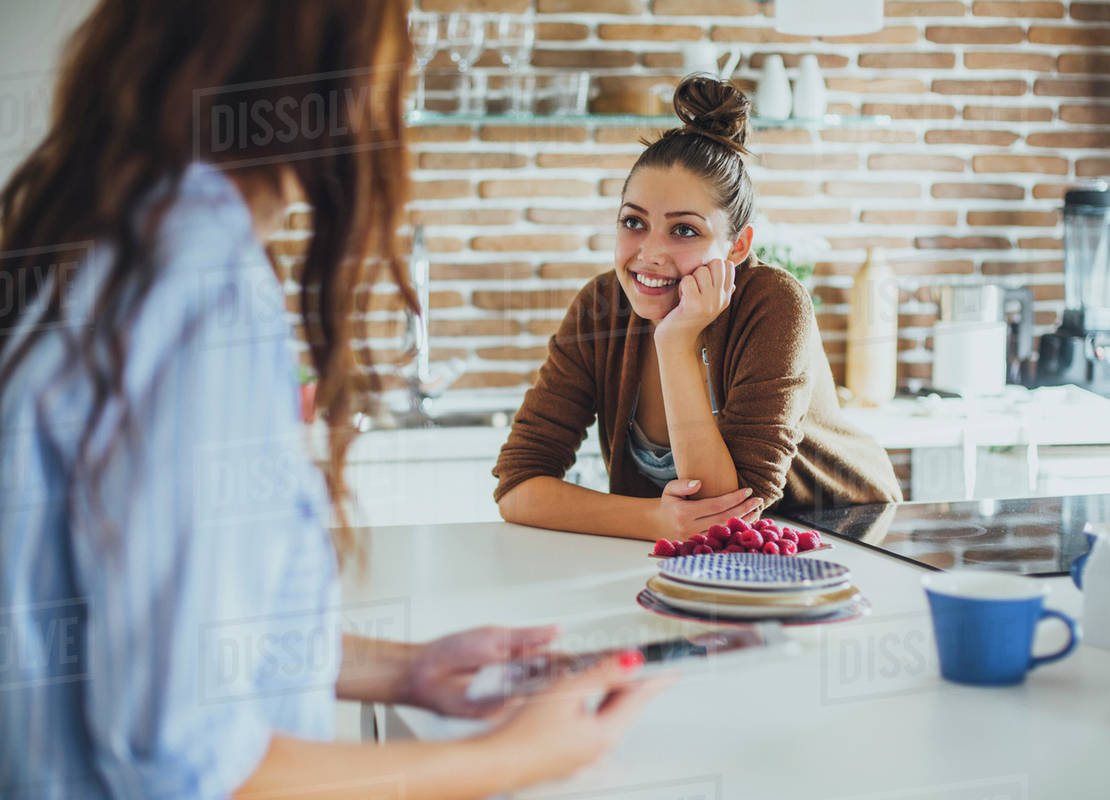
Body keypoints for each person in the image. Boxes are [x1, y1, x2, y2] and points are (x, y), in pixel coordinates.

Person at [0, 2, 658, 798]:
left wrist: (407, 670)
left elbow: (168, 639)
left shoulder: (114, 234)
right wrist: (515, 758)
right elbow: (183, 767)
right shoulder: (202, 288)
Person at [494, 75, 902, 542]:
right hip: (709, 556)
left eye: (684, 230)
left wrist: (675, 341)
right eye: (634, 222)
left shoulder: (773, 304)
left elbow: (726, 512)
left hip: (845, 536)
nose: (649, 252)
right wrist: (652, 520)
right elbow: (519, 485)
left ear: (736, 246)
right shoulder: (601, 306)